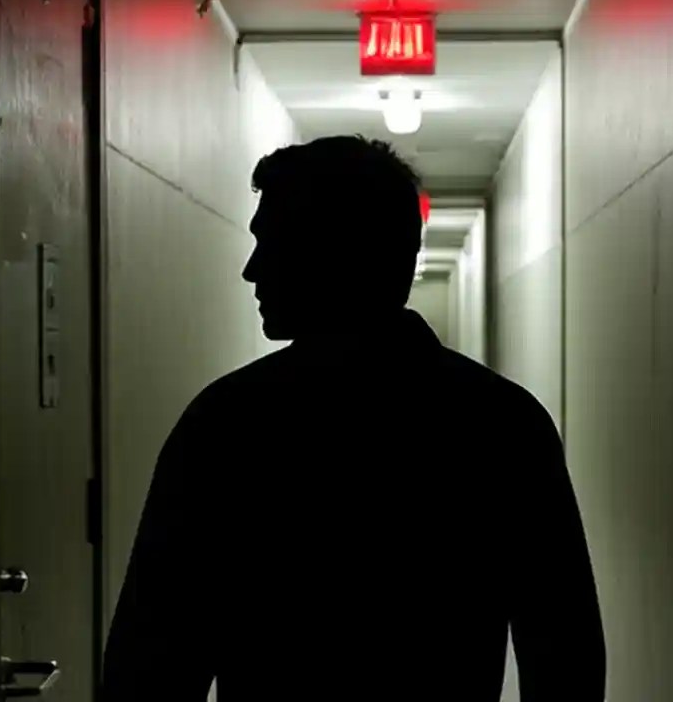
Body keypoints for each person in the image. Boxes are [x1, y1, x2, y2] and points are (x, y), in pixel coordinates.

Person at [103, 135, 605, 700]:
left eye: (272, 244)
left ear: (334, 253)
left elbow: (151, 658)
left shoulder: (228, 425)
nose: (251, 269)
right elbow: (566, 654)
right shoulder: (505, 425)